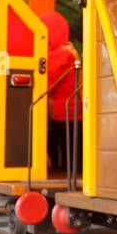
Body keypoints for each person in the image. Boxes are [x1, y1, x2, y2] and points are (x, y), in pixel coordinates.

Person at [40, 10, 80, 173]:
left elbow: (46, 83)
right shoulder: (67, 53)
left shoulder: (60, 55)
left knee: (63, 165)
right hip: (70, 114)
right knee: (70, 159)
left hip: (64, 115)